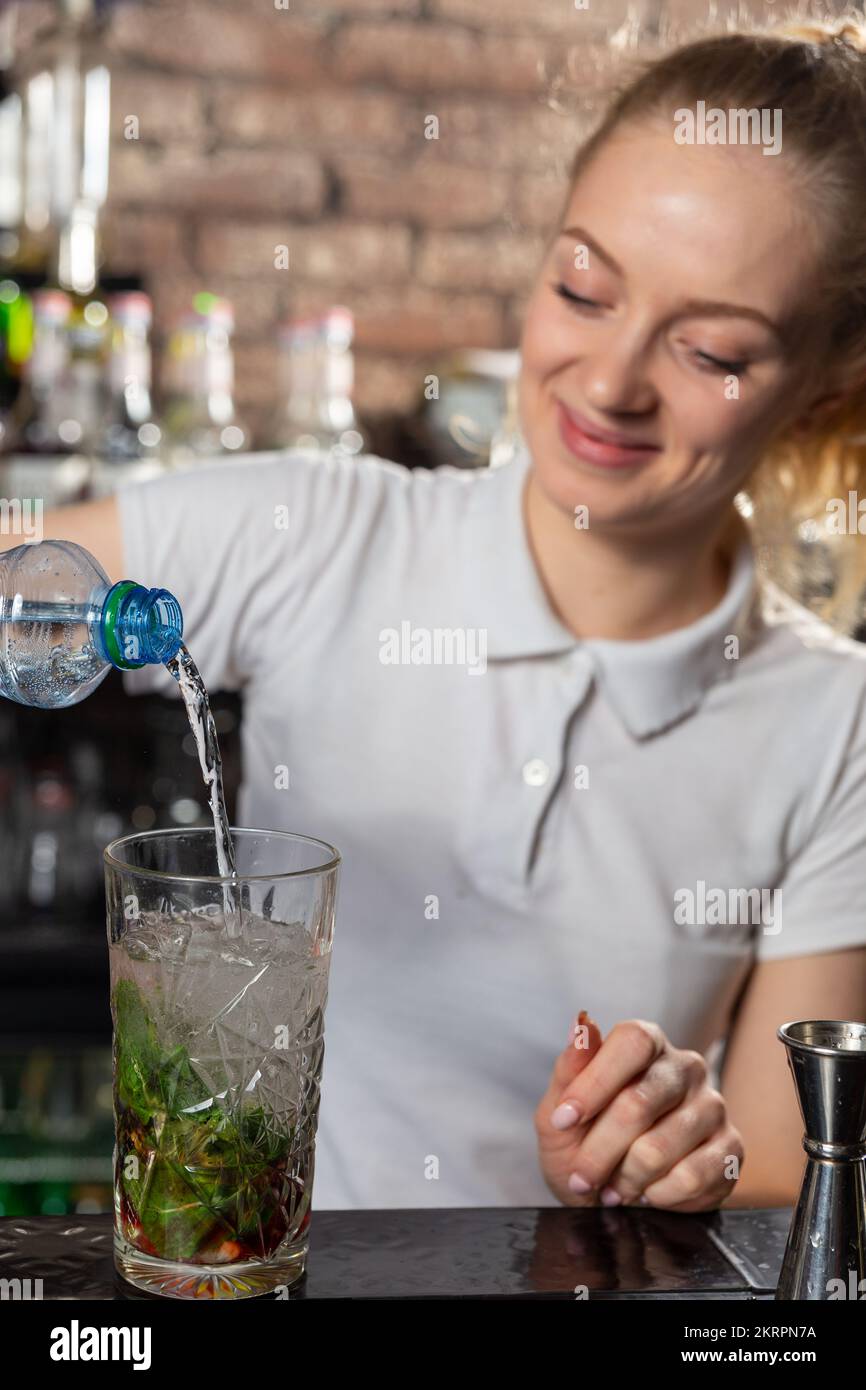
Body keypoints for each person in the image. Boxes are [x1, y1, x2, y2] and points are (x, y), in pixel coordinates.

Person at [18, 14, 866, 1213]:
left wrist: (667, 1159)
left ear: (827, 376)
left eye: (711, 348)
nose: (610, 383)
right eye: (582, 286)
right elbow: (23, 571)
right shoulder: (321, 536)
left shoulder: (835, 724)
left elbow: (778, 1169)